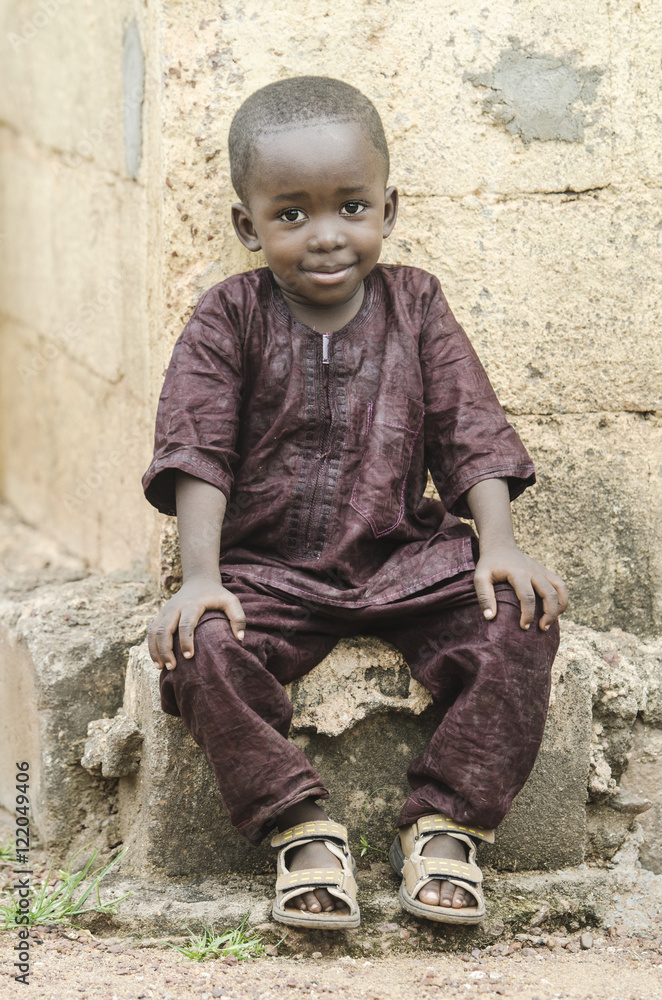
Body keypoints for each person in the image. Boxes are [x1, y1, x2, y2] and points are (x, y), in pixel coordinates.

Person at [142, 76, 568, 929]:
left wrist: (498, 545)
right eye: (291, 214)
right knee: (196, 649)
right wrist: (198, 579)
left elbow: (468, 428)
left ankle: (448, 824)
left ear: (388, 206)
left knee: (523, 620)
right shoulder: (230, 317)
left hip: (405, 560)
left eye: (352, 206)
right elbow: (199, 450)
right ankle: (299, 825)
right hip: (269, 573)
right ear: (246, 225)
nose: (327, 236)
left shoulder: (417, 304)